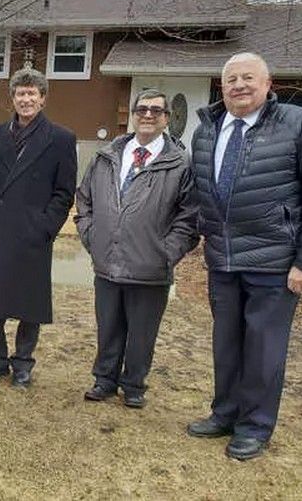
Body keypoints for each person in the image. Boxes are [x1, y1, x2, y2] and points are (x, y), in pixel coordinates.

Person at [186, 52, 302, 460]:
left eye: (248, 77)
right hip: (224, 261)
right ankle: (225, 413)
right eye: (231, 79)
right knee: (227, 345)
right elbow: (202, 194)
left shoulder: (301, 126)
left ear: (269, 84)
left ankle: (255, 426)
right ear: (222, 87)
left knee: (264, 348)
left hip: (275, 262)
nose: (239, 85)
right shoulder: (207, 130)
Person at [74, 88, 198, 408]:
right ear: (133, 113)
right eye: (142, 109)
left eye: (156, 111)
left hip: (151, 266)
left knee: (141, 333)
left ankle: (134, 385)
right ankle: (104, 380)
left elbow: (189, 218)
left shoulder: (179, 164)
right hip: (108, 261)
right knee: (109, 325)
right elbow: (84, 199)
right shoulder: (107, 157)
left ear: (166, 119)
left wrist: (166, 253)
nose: (148, 115)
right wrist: (91, 235)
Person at [0, 68, 77, 388]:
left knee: (29, 304)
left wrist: (46, 227)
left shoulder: (61, 139)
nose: (26, 99)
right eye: (21, 93)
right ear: (13, 98)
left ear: (43, 99)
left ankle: (23, 363)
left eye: (33, 93)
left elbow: (64, 193)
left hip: (34, 233)